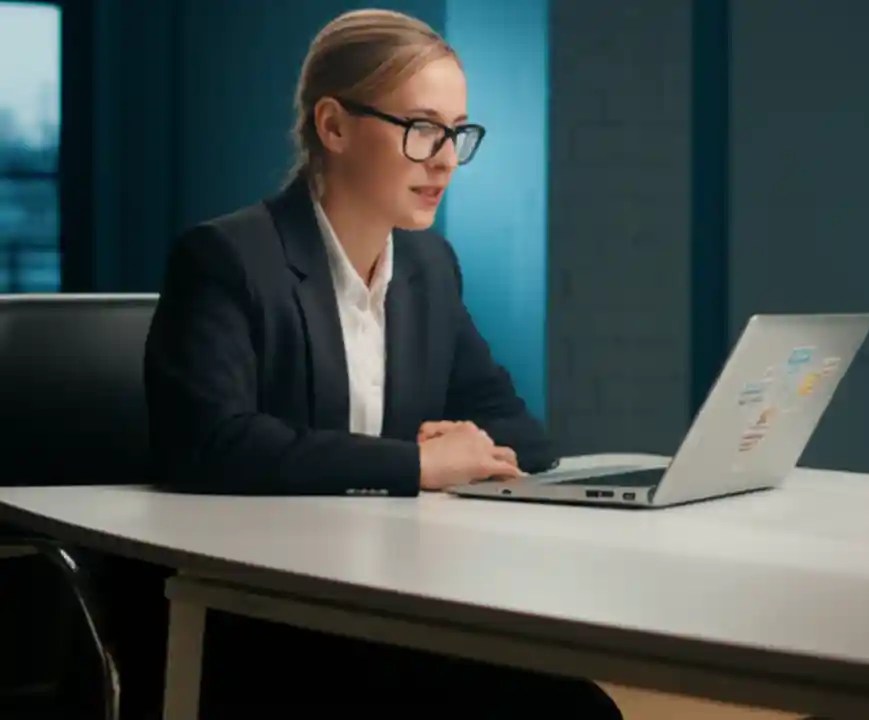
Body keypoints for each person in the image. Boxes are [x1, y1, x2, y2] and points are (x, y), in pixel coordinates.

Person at [133, 8, 621, 718]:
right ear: (332, 127)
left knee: (578, 707)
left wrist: (467, 450)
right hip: (265, 620)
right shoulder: (227, 259)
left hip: (395, 605)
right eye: (422, 128)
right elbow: (211, 443)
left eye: (457, 132)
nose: (446, 157)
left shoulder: (429, 267)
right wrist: (417, 465)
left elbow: (521, 429)